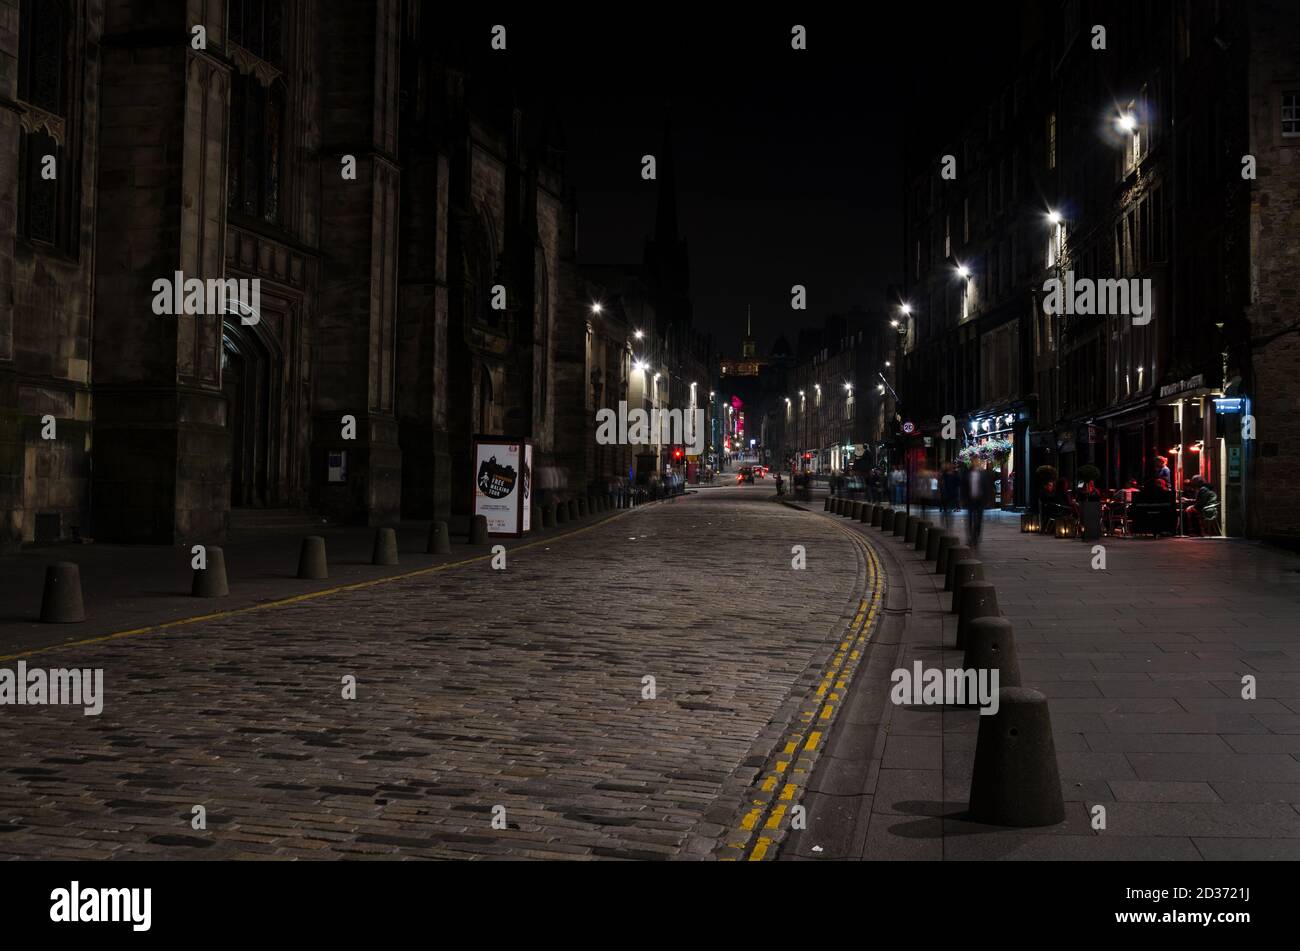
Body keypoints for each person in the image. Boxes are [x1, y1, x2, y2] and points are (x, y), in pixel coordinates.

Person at [961, 459, 993, 548]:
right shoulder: (967, 473)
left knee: (978, 520)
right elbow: (963, 487)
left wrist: (987, 500)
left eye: (977, 461)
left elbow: (987, 487)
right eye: (974, 461)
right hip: (970, 500)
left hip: (980, 500)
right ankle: (970, 538)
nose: (975, 463)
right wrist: (963, 499)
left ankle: (976, 537)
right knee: (970, 520)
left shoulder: (983, 474)